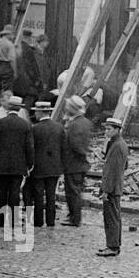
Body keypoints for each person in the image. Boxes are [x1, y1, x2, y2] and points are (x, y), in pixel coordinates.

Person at [0, 96, 33, 220]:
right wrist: (30, 164)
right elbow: (29, 147)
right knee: (14, 193)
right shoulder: (26, 125)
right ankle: (13, 220)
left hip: (0, 165)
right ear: (19, 109)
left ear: (8, 107)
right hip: (18, 165)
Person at [25, 101, 63, 230]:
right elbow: (64, 148)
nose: (35, 114)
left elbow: (30, 149)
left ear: (40, 112)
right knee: (51, 195)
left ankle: (38, 220)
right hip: (54, 167)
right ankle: (51, 221)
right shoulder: (59, 128)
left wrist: (29, 165)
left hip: (38, 168)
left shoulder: (34, 129)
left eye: (36, 111)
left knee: (38, 195)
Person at [98, 117, 128, 257]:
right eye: (106, 128)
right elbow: (124, 165)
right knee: (113, 216)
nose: (106, 131)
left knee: (111, 217)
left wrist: (106, 190)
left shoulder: (117, 145)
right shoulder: (118, 143)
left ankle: (112, 246)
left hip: (112, 188)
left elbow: (112, 170)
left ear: (117, 130)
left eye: (109, 129)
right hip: (115, 186)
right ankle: (113, 245)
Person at [60, 97, 93, 226]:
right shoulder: (85, 122)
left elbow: (75, 144)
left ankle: (74, 218)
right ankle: (73, 215)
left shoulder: (75, 124)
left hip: (73, 164)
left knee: (72, 192)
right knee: (75, 191)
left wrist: (82, 154)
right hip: (79, 165)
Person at [0, 25, 18, 106]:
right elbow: (12, 60)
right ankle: (4, 107)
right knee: (7, 90)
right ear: (8, 34)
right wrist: (15, 72)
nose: (13, 36)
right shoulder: (10, 44)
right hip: (7, 67)